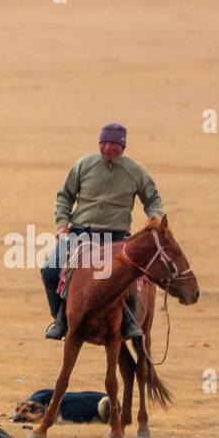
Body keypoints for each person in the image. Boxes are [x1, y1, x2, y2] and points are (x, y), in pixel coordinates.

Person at [44, 122, 165, 341]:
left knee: (128, 275)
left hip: (116, 237)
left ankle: (129, 322)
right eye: (105, 142)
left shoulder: (135, 171)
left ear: (123, 146)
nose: (109, 147)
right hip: (80, 233)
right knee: (50, 268)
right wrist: (62, 224)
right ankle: (60, 319)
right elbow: (65, 197)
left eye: (114, 144)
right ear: (99, 143)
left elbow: (153, 200)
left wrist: (154, 219)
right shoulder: (84, 165)